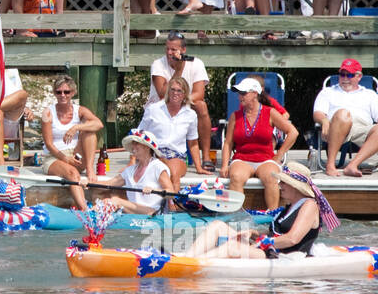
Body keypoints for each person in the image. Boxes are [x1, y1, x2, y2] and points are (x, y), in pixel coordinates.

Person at [185, 162, 333, 259]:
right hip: (270, 249)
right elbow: (278, 233)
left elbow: (292, 239)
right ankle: (187, 258)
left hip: (283, 256)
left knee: (232, 247)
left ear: (294, 186)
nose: (280, 185)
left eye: (284, 182)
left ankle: (192, 264)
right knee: (218, 225)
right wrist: (255, 235)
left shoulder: (309, 206)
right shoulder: (292, 206)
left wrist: (266, 241)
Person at [221, 76, 298, 210]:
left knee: (271, 177)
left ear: (255, 94)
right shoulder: (235, 116)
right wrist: (224, 165)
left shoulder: (270, 113)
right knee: (236, 176)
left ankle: (272, 216)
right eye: (239, 93)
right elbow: (228, 143)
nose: (240, 96)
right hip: (242, 158)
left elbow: (293, 132)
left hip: (265, 158)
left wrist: (279, 154)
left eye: (243, 93)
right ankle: (236, 216)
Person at [313, 58, 378, 177]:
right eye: (342, 75)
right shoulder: (328, 92)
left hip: (362, 129)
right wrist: (324, 120)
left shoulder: (369, 94)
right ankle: (330, 165)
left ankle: (353, 165)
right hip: (336, 129)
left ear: (359, 77)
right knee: (343, 114)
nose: (345, 78)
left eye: (349, 75)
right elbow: (317, 112)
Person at [146, 31, 211, 163]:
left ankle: (206, 157)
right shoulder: (158, 64)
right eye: (167, 49)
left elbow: (199, 93)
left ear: (183, 50)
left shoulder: (196, 63)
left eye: (174, 49)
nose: (170, 53)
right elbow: (162, 93)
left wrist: (180, 100)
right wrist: (178, 69)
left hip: (184, 102)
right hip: (161, 105)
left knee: (202, 106)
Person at [41, 74, 103, 207]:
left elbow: (99, 124)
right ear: (55, 93)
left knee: (90, 131)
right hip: (55, 157)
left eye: (66, 92)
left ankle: (90, 169)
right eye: (59, 92)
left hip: (76, 155)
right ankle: (85, 210)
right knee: (72, 174)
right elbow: (49, 144)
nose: (62, 95)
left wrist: (77, 127)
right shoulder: (48, 113)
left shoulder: (80, 110)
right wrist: (65, 159)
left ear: (73, 93)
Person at [136, 75, 205, 184]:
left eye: (179, 91)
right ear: (168, 91)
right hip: (153, 152)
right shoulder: (153, 109)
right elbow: (138, 136)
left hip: (177, 155)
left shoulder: (190, 115)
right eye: (172, 89)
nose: (175, 93)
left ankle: (172, 201)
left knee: (172, 173)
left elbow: (193, 143)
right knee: (154, 172)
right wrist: (131, 162)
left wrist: (199, 167)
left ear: (185, 94)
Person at [98, 129, 174, 215]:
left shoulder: (158, 167)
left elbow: (171, 193)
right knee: (105, 199)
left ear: (147, 147)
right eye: (132, 143)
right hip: (135, 213)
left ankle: (88, 220)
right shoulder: (129, 170)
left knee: (116, 201)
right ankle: (88, 217)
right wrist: (87, 182)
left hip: (153, 213)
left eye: (136, 143)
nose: (133, 146)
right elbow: (108, 184)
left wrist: (154, 190)